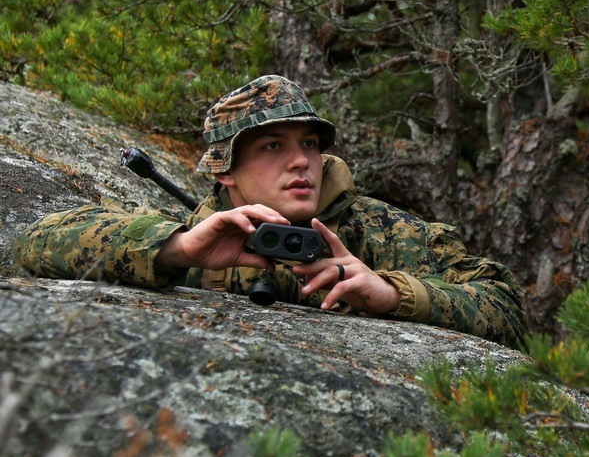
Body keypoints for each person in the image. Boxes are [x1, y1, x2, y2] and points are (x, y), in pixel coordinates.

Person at [15, 75, 527, 350]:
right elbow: (37, 242)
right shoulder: (207, 231)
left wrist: (392, 293)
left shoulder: (388, 232)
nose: (301, 160)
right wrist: (177, 249)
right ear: (225, 172)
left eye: (308, 142)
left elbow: (507, 312)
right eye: (272, 147)